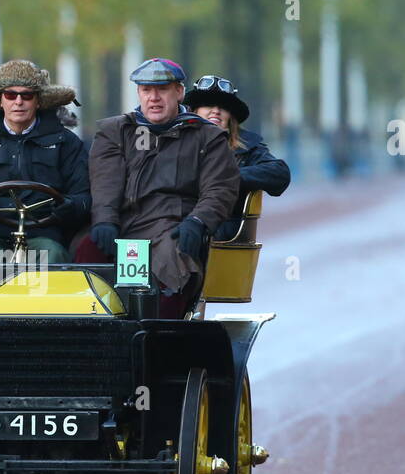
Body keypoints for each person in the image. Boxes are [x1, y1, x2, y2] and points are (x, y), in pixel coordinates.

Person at [82, 58, 239, 318]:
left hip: (172, 223)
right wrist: (105, 221)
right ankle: (84, 336)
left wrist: (198, 222)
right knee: (84, 251)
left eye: (162, 89)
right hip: (122, 222)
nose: (153, 98)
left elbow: (219, 188)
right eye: (146, 90)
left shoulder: (207, 136)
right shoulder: (115, 131)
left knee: (176, 261)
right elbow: (104, 182)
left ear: (179, 92)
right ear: (138, 93)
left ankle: (159, 335)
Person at [0, 59, 90, 268]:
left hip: (42, 234)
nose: (18, 102)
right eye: (11, 95)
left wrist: (70, 206)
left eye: (26, 95)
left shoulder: (66, 142)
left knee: (55, 258)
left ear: (38, 101)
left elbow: (84, 195)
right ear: (0, 100)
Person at [184, 74, 291, 240]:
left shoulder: (247, 147)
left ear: (230, 116)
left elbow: (279, 173)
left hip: (221, 235)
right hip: (174, 227)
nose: (216, 111)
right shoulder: (175, 141)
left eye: (223, 107)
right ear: (194, 111)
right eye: (208, 104)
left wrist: (228, 176)